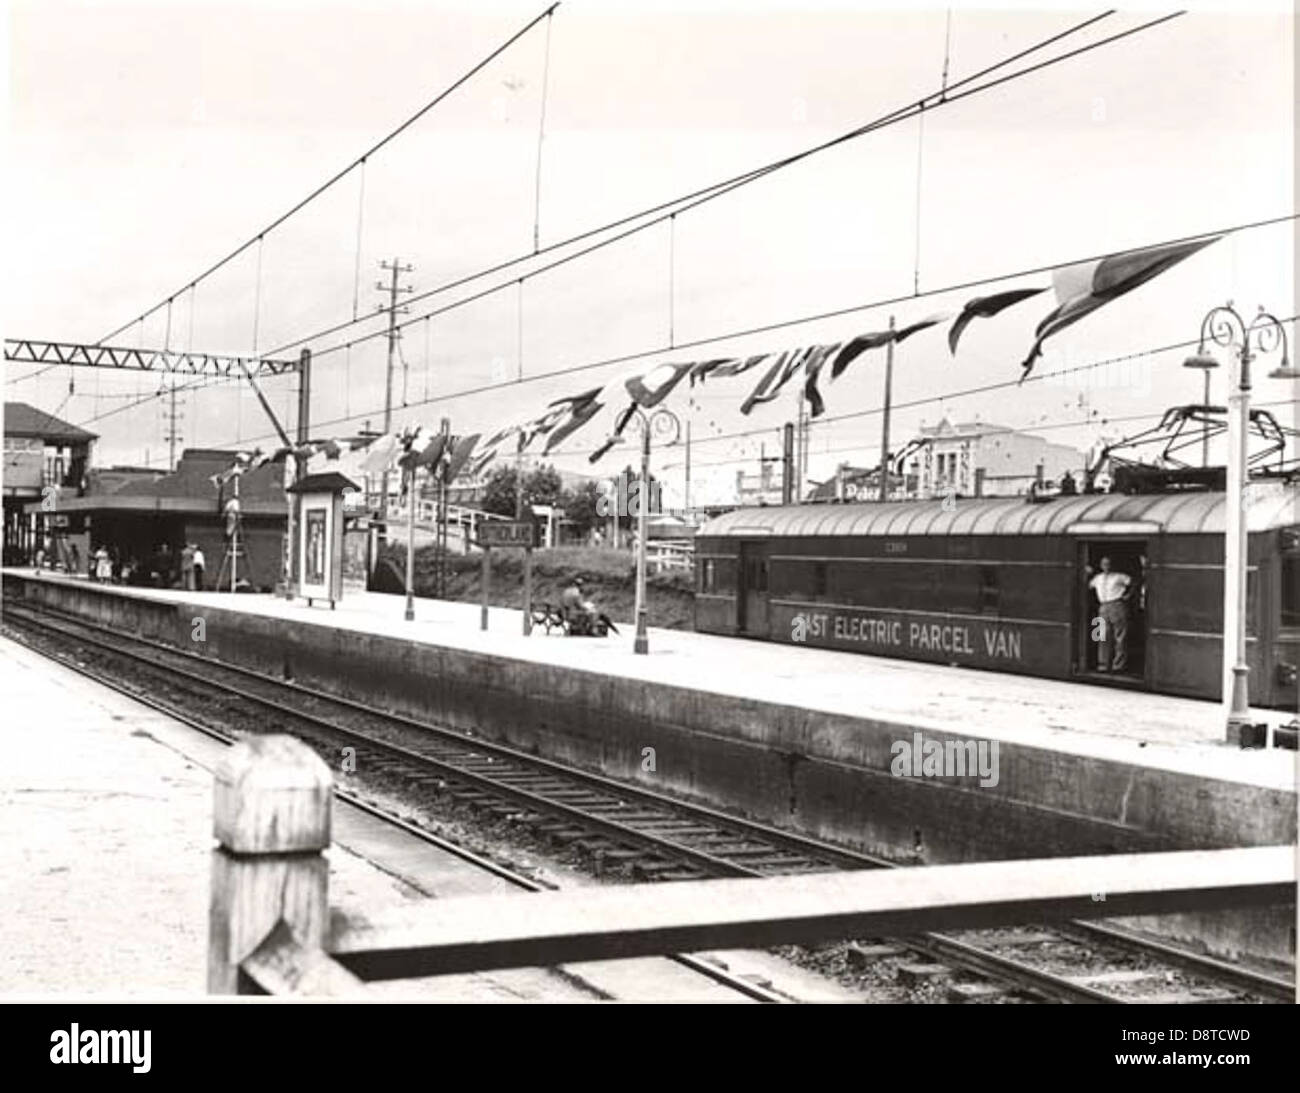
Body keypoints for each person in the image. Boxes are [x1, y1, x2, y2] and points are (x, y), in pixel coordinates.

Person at [1088, 555, 1132, 673]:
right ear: (1101, 565)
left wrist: (1129, 595)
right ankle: (1102, 664)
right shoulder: (1097, 578)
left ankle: (1118, 665)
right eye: (1104, 564)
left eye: (1108, 563)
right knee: (1100, 635)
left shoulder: (1119, 576)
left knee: (1120, 636)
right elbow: (1088, 585)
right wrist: (1087, 571)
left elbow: (1134, 583)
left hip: (1117, 604)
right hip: (1102, 606)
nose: (1106, 566)